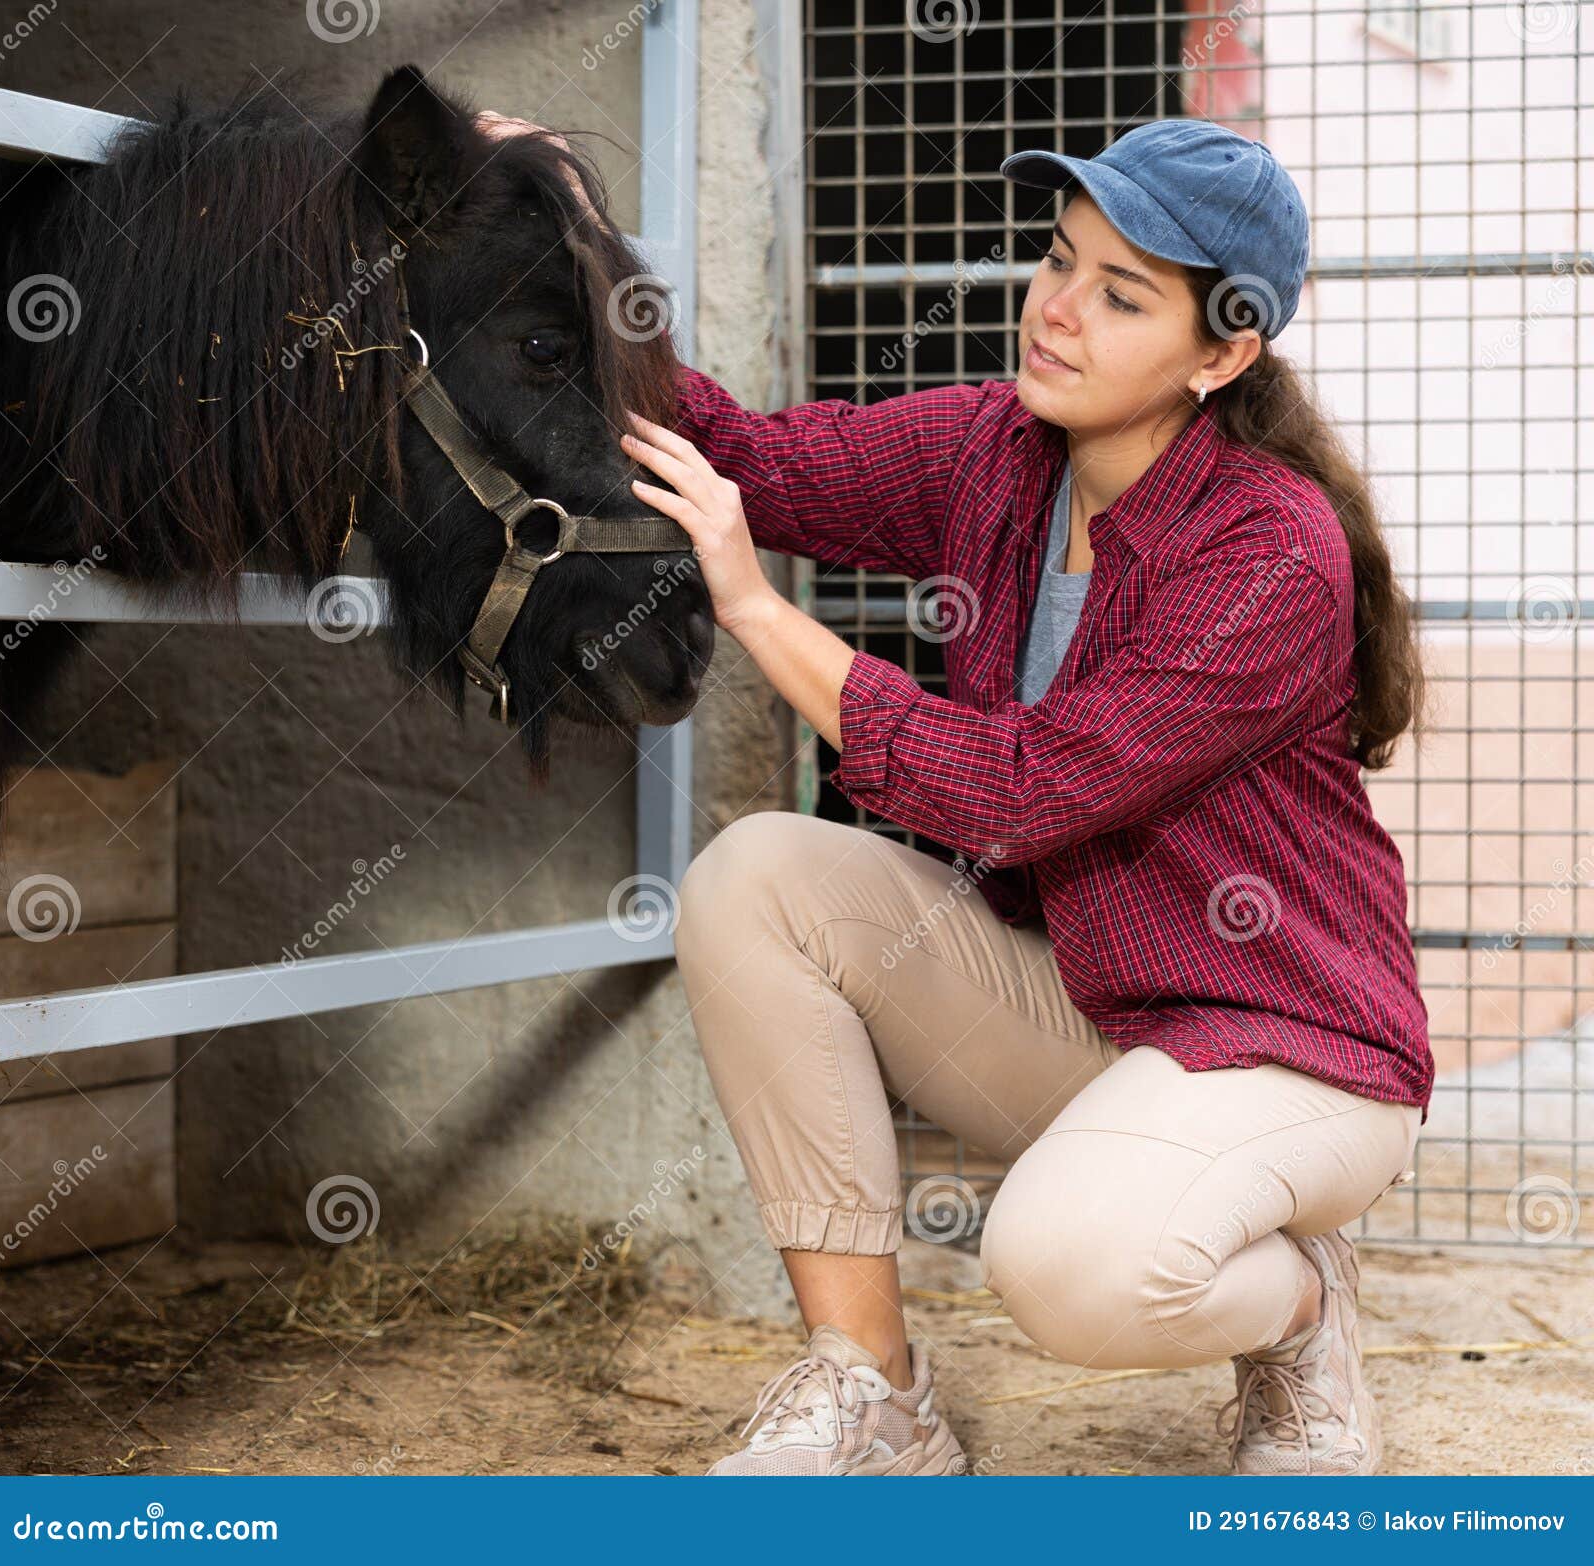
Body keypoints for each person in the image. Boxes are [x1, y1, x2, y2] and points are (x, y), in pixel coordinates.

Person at [483, 113, 1433, 1477]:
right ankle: (874, 1393)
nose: (1057, 311)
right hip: (1103, 1008)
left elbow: (1023, 791)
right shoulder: (996, 450)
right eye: (1059, 261)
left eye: (1121, 296)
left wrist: (754, 608)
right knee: (756, 879)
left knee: (1061, 1269)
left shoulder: (1267, 550)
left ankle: (1301, 1303)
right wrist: (551, 241)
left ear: (1221, 355)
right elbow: (752, 457)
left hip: (1293, 1048)